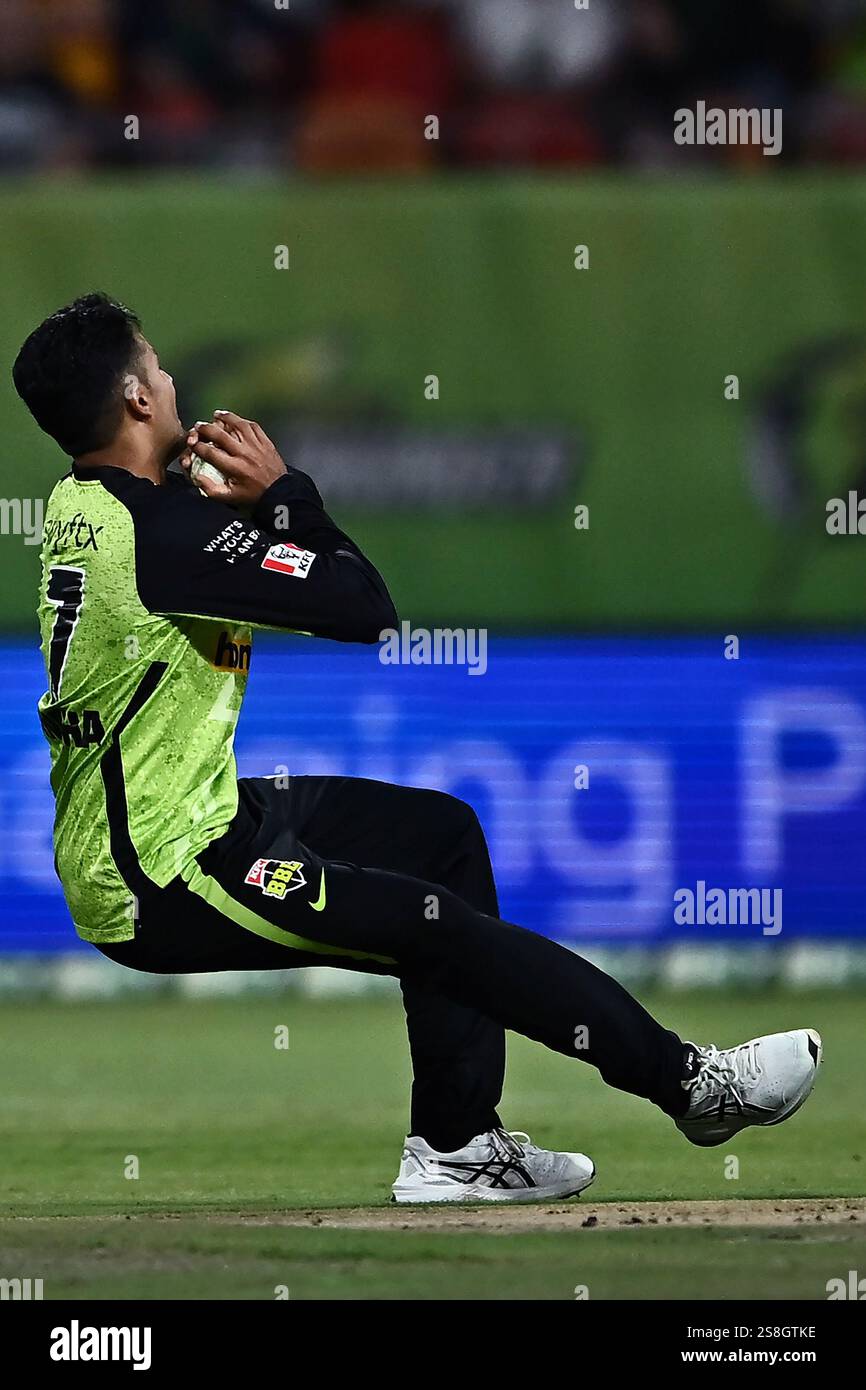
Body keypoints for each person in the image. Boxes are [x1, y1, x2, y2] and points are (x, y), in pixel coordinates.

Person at [13, 293, 822, 1204]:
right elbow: (365, 608)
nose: (170, 380)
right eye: (156, 368)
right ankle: (692, 1084)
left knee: (441, 834)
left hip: (190, 816)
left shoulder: (86, 507)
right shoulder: (169, 537)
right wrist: (287, 499)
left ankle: (456, 1146)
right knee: (436, 933)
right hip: (167, 871)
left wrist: (244, 525)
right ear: (133, 398)